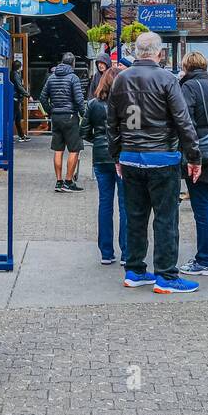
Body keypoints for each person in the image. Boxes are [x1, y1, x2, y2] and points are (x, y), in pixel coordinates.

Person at [107, 30, 203, 294]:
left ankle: (135, 270)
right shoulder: (167, 79)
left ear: (137, 53)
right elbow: (183, 122)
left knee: (135, 216)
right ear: (160, 54)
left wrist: (116, 155)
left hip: (130, 156)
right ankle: (166, 276)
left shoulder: (121, 80)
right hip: (162, 156)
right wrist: (193, 156)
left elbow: (112, 123)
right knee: (165, 218)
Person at [178, 52, 208, 276]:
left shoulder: (189, 87)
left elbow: (184, 120)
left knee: (202, 208)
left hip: (200, 150)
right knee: (207, 206)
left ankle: (206, 259)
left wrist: (190, 154)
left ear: (186, 66)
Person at [83, 64, 127, 265]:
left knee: (105, 203)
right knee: (126, 205)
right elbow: (132, 130)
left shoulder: (93, 104)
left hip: (101, 157)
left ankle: (106, 252)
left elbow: (84, 132)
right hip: (124, 157)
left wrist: (99, 140)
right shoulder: (129, 104)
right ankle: (127, 251)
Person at [39, 52, 85, 193]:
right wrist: (84, 114)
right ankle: (68, 181)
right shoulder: (73, 78)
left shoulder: (51, 78)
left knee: (58, 149)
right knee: (74, 149)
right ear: (73, 64)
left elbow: (42, 97)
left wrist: (50, 110)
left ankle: (58, 182)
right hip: (70, 117)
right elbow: (78, 100)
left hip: (56, 118)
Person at [10, 60, 29, 142]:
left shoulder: (12, 73)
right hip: (15, 98)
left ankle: (21, 135)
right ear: (19, 67)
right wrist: (27, 94)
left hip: (15, 98)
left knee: (17, 118)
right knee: (14, 118)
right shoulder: (16, 74)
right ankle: (10, 136)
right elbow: (19, 86)